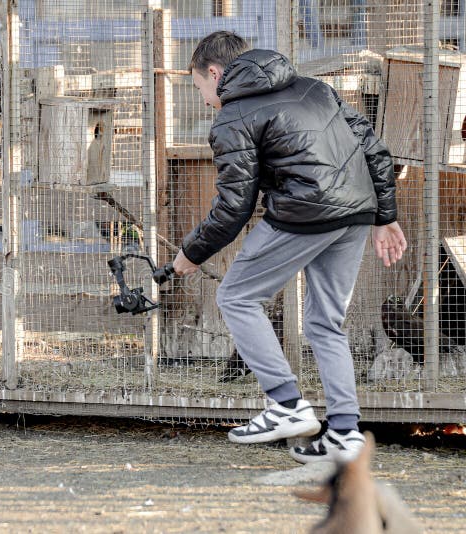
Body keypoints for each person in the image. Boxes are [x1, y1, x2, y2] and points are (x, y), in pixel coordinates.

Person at [173, 31, 407, 463]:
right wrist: (384, 216)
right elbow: (374, 149)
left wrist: (191, 253)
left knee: (236, 297)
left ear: (215, 73)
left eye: (199, 86)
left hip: (304, 213)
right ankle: (344, 433)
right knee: (325, 322)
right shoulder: (315, 89)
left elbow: (234, 207)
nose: (204, 100)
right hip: (356, 212)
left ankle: (285, 404)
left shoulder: (233, 116)